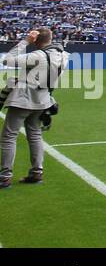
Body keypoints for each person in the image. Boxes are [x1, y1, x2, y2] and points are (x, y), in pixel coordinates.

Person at [0, 27, 65, 190]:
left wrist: (26, 41)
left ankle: (5, 177)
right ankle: (37, 172)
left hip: (23, 99)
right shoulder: (62, 56)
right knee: (35, 135)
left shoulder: (36, 55)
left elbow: (7, 60)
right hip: (43, 100)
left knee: (9, 136)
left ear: (36, 40)